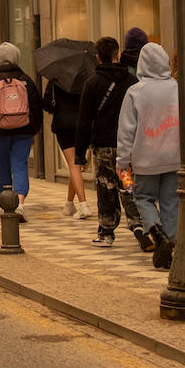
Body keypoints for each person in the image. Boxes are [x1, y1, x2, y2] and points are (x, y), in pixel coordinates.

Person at [76, 37, 146, 249]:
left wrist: (80, 154)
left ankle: (106, 232)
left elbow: (84, 121)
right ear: (117, 54)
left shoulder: (92, 83)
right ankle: (138, 223)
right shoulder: (132, 82)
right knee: (127, 184)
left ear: (98, 57)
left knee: (106, 187)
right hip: (128, 146)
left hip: (104, 147)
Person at [117, 42, 181, 270]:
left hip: (146, 159)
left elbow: (126, 131)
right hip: (174, 156)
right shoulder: (176, 88)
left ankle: (156, 231)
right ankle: (170, 244)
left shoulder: (135, 92)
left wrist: (122, 161)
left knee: (143, 198)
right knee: (171, 202)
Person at [0, 42, 43, 221]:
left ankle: (6, 205)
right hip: (24, 130)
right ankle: (20, 203)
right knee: (20, 165)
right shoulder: (26, 80)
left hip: (0, 132)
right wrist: (34, 131)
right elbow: (36, 108)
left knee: (3, 166)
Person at [43, 76, 90, 219]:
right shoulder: (86, 79)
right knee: (75, 166)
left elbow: (46, 105)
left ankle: (83, 205)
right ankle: (69, 204)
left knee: (74, 166)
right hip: (82, 125)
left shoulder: (56, 79)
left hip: (64, 124)